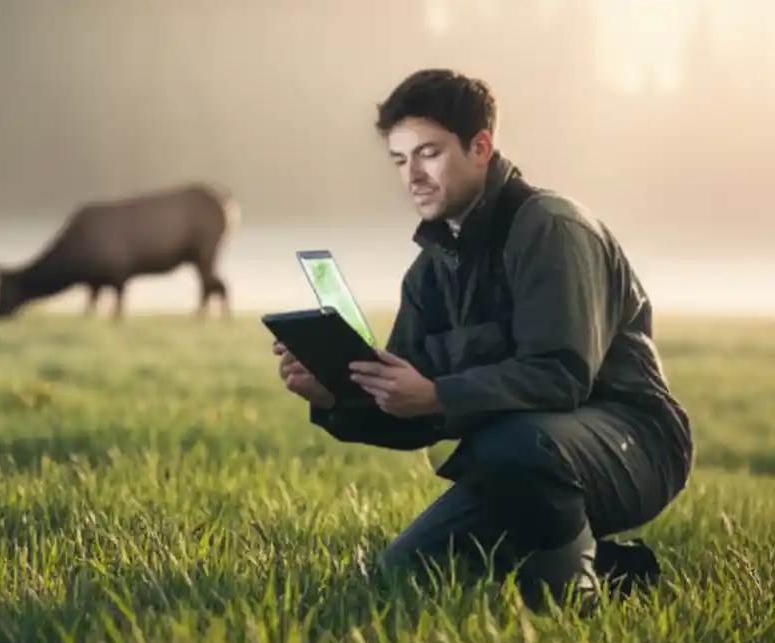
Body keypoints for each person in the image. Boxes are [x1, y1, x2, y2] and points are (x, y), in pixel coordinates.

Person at [274, 68, 693, 607]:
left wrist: (439, 395)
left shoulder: (551, 228)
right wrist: (334, 397)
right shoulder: (428, 271)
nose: (412, 176)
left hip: (634, 445)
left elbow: (560, 376)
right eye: (400, 160)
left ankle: (572, 598)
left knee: (513, 444)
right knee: (403, 572)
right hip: (517, 459)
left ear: (481, 147)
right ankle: (621, 571)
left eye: (428, 153)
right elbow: (410, 412)